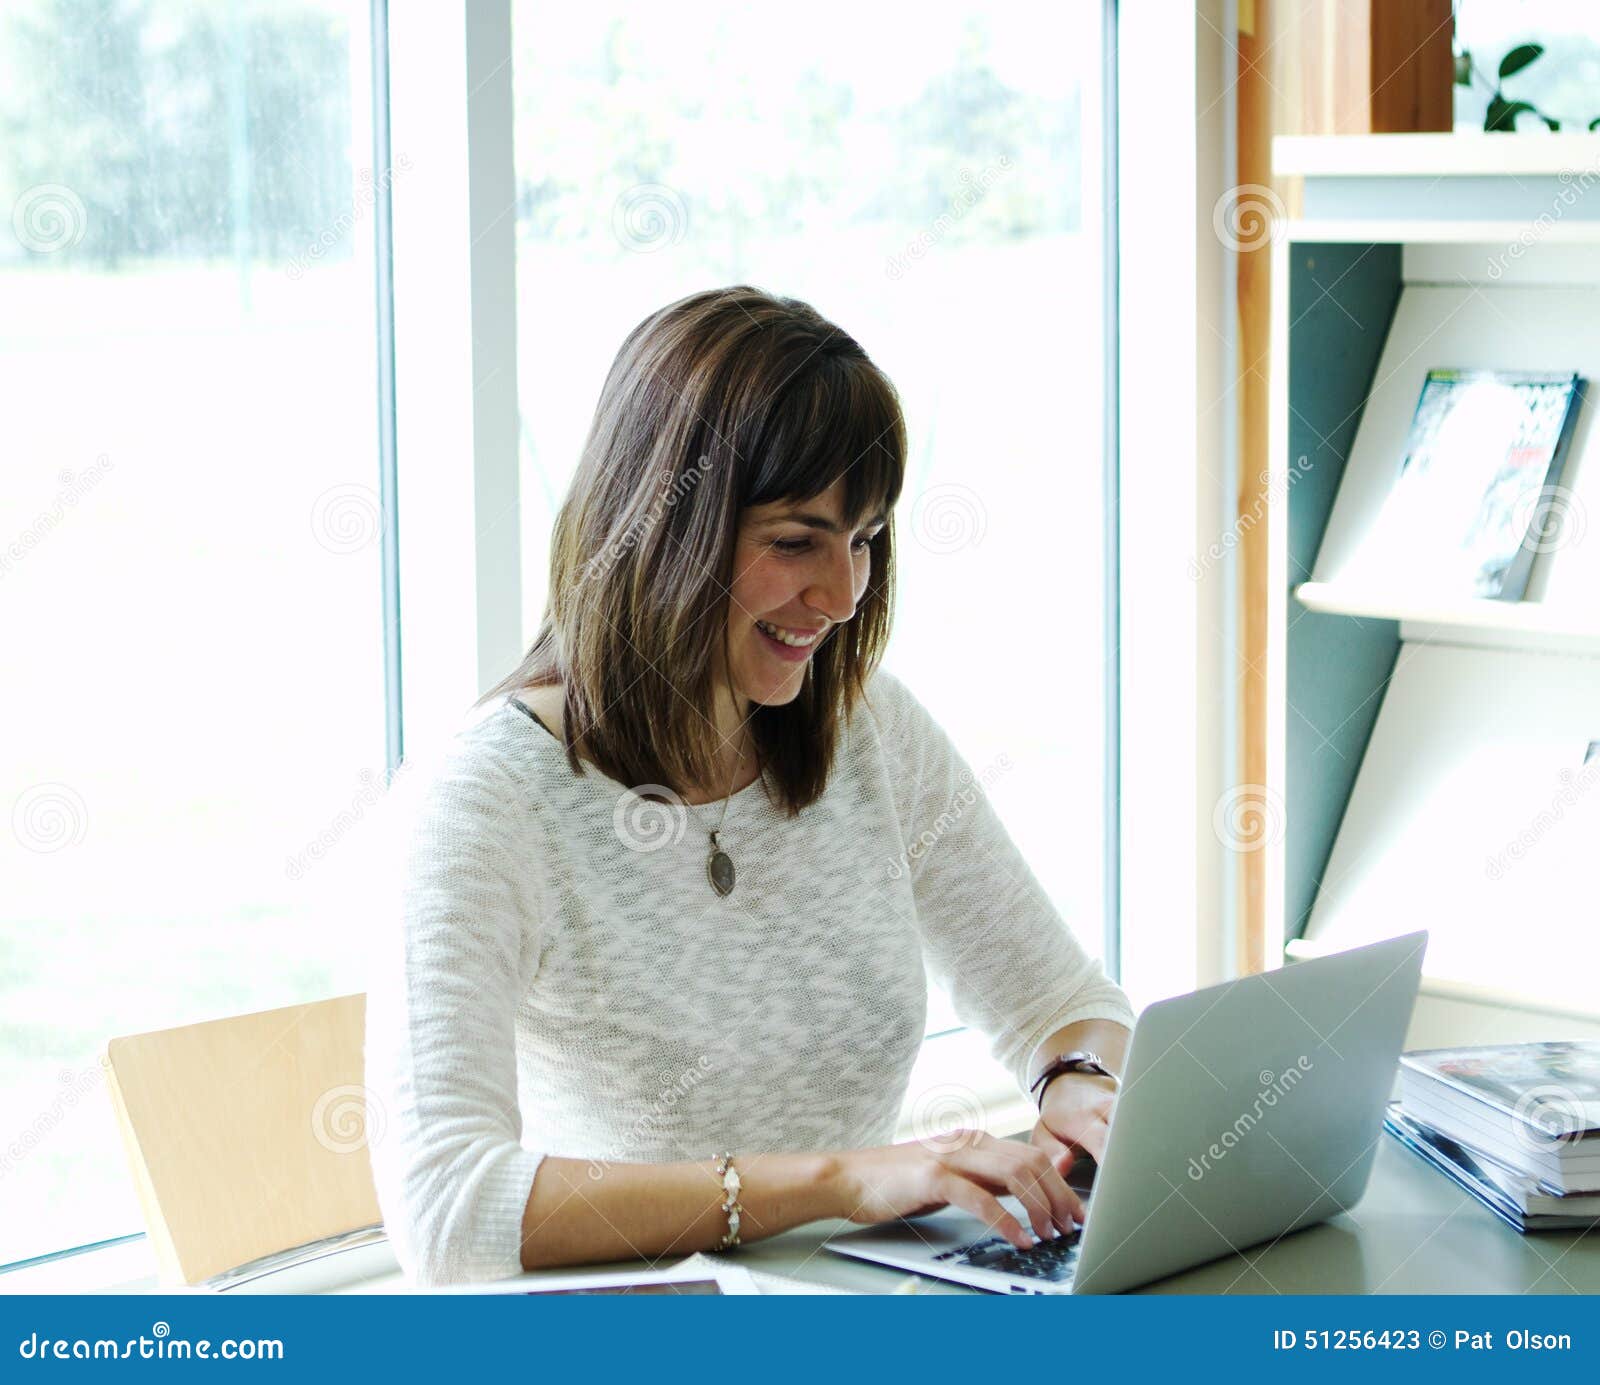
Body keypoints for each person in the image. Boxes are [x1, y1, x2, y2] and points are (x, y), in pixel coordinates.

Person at [365, 285, 1134, 1288]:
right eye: (794, 539)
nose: (844, 594)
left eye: (863, 539)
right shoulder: (482, 800)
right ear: (659, 529)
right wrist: (838, 1179)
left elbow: (1063, 1000)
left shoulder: (867, 728)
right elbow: (446, 1209)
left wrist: (1081, 1080)